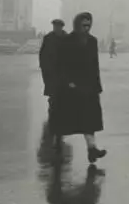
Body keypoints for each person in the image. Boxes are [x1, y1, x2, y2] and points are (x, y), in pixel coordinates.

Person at [50, 12, 107, 164]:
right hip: (70, 87)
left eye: (89, 25)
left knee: (89, 121)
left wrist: (97, 86)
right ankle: (57, 143)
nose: (86, 27)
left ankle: (92, 149)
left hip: (88, 87)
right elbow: (60, 64)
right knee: (65, 119)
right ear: (77, 24)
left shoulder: (92, 41)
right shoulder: (67, 41)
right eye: (83, 25)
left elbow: (95, 66)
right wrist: (67, 81)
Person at [39, 19, 67, 145]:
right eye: (55, 26)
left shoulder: (67, 38)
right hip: (51, 71)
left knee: (62, 92)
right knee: (53, 90)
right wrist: (44, 67)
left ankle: (59, 109)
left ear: (61, 27)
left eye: (58, 26)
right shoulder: (48, 38)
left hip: (64, 71)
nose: (56, 28)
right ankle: (53, 105)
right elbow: (43, 54)